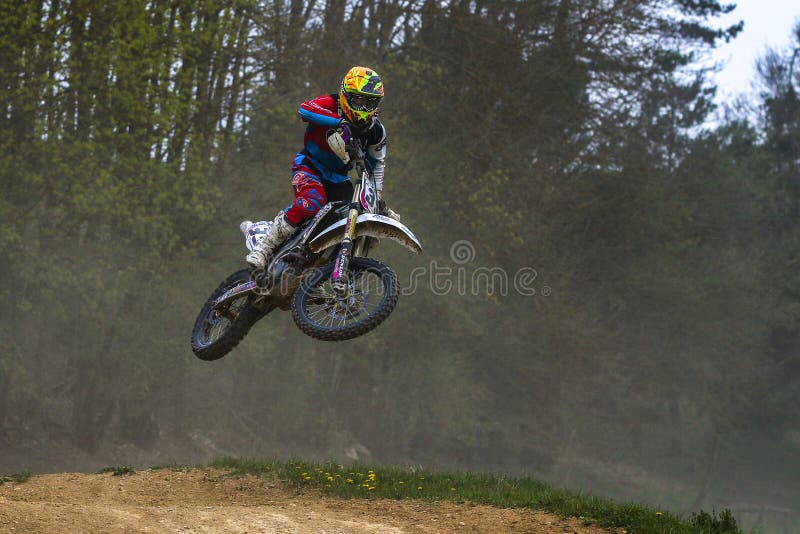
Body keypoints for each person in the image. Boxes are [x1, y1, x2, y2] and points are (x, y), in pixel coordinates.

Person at [244, 66, 393, 268]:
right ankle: (265, 246)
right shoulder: (332, 103)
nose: (364, 107)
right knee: (311, 202)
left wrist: (375, 196)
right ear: (347, 95)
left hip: (338, 178)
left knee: (356, 217)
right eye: (359, 100)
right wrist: (338, 122)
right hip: (309, 166)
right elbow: (305, 109)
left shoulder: (375, 131)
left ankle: (319, 271)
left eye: (370, 102)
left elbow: (377, 165)